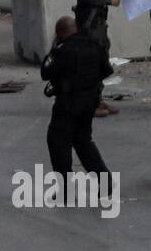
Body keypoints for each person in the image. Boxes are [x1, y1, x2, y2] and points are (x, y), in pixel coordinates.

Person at [40, 16, 112, 193]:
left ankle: (66, 188)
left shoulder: (62, 50)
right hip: (89, 103)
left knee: (58, 141)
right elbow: (107, 70)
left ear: (60, 33)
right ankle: (106, 182)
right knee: (83, 141)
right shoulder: (94, 45)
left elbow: (45, 72)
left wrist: (54, 48)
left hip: (68, 103)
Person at [74, 0, 138, 117]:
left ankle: (97, 99)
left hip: (99, 22)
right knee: (91, 62)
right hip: (89, 22)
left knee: (100, 59)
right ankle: (90, 103)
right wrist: (110, 1)